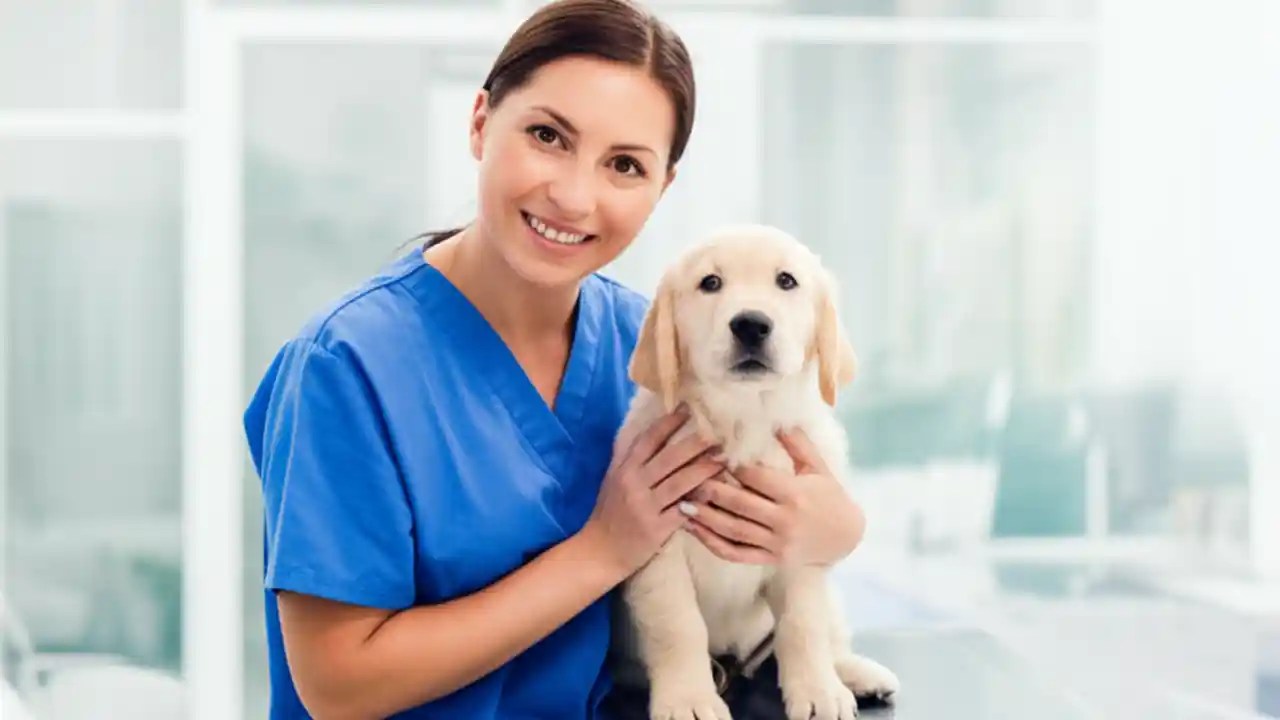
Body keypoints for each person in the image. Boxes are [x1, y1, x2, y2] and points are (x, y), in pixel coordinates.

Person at [242, 0, 868, 718]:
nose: (574, 196)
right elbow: (338, 687)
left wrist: (836, 531)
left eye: (625, 165)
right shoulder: (345, 367)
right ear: (480, 122)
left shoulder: (656, 347)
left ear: (662, 187)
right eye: (547, 136)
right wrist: (604, 549)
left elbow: (770, 515)